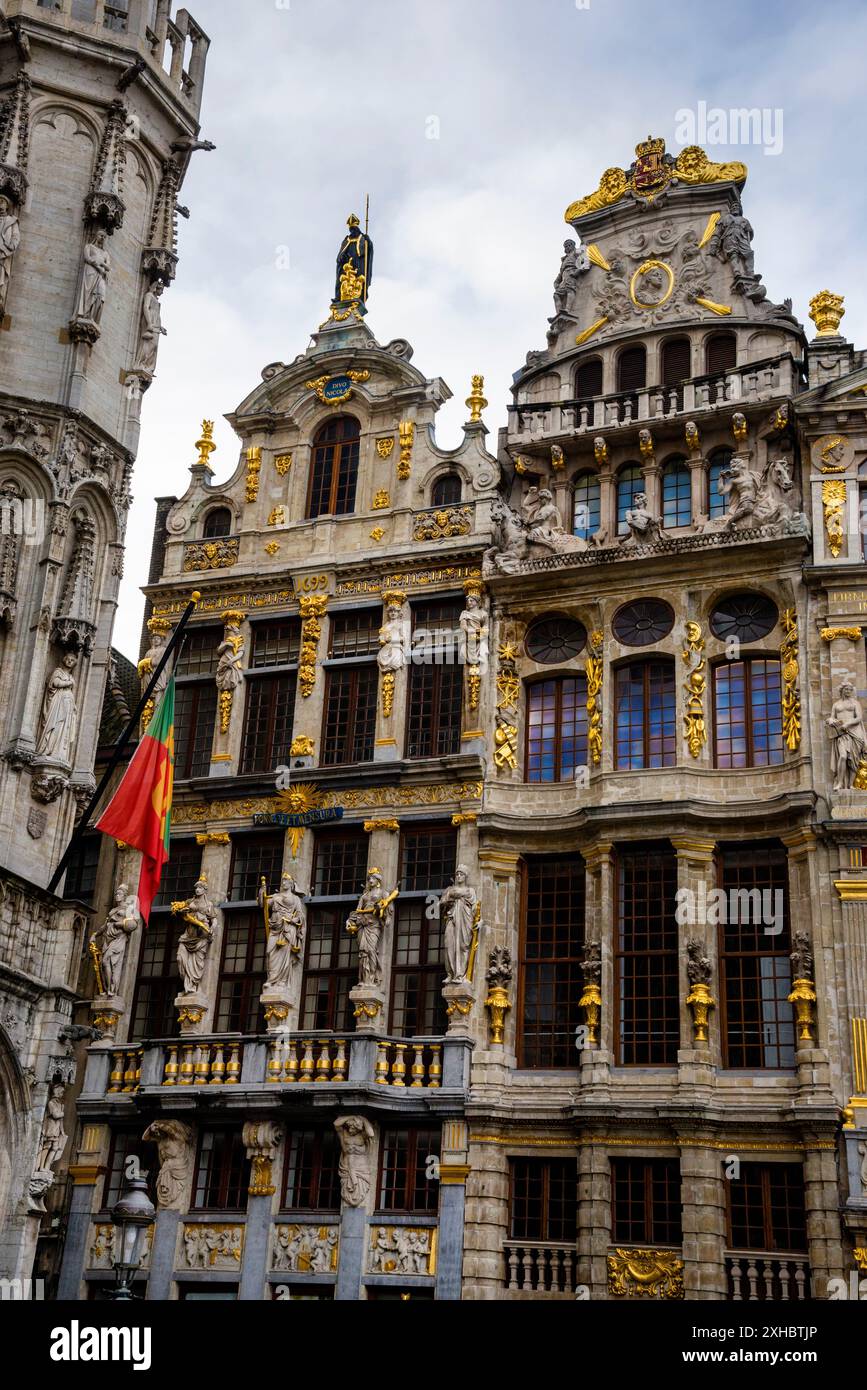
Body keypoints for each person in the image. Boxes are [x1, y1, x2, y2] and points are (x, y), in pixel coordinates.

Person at [90, 883, 138, 995]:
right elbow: (105, 925)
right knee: (103, 962)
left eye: (119, 893)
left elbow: (133, 924)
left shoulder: (128, 909)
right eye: (116, 893)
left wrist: (120, 924)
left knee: (108, 961)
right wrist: (95, 934)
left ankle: (112, 989)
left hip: (118, 939)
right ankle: (107, 989)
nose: (117, 895)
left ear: (124, 896)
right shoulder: (113, 910)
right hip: (107, 938)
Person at [172, 877, 218, 994]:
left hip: (201, 935)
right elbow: (180, 913)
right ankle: (186, 982)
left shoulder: (209, 904)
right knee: (180, 958)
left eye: (200, 887)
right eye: (196, 887)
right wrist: (179, 912)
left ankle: (191, 986)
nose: (197, 890)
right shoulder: (189, 901)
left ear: (204, 890)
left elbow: (214, 919)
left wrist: (212, 928)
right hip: (189, 934)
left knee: (197, 962)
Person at [36, 653, 78, 763]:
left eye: (72, 660)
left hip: (67, 706)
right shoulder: (58, 672)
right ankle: (48, 749)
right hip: (57, 704)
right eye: (68, 659)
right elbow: (54, 683)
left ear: (75, 664)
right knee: (55, 726)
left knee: (64, 729)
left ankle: (58, 752)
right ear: (64, 660)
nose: (69, 661)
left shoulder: (71, 677)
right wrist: (69, 683)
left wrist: (73, 706)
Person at [440, 865, 479, 984]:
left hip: (465, 920)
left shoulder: (470, 891)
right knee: (449, 944)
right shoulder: (449, 890)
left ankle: (460, 974)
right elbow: (441, 904)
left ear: (466, 876)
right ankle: (450, 973)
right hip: (452, 918)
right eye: (457, 874)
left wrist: (479, 922)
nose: (459, 876)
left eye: (461, 874)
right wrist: (447, 901)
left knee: (463, 946)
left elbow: (475, 908)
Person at [828, 681, 867, 791]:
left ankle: (851, 784)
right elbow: (832, 717)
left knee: (854, 760)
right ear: (842, 690)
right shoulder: (836, 705)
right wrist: (830, 721)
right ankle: (840, 783)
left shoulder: (855, 703)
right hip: (842, 734)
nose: (848, 691)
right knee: (843, 756)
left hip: (855, 732)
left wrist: (847, 724)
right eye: (846, 689)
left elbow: (859, 718)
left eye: (850, 689)